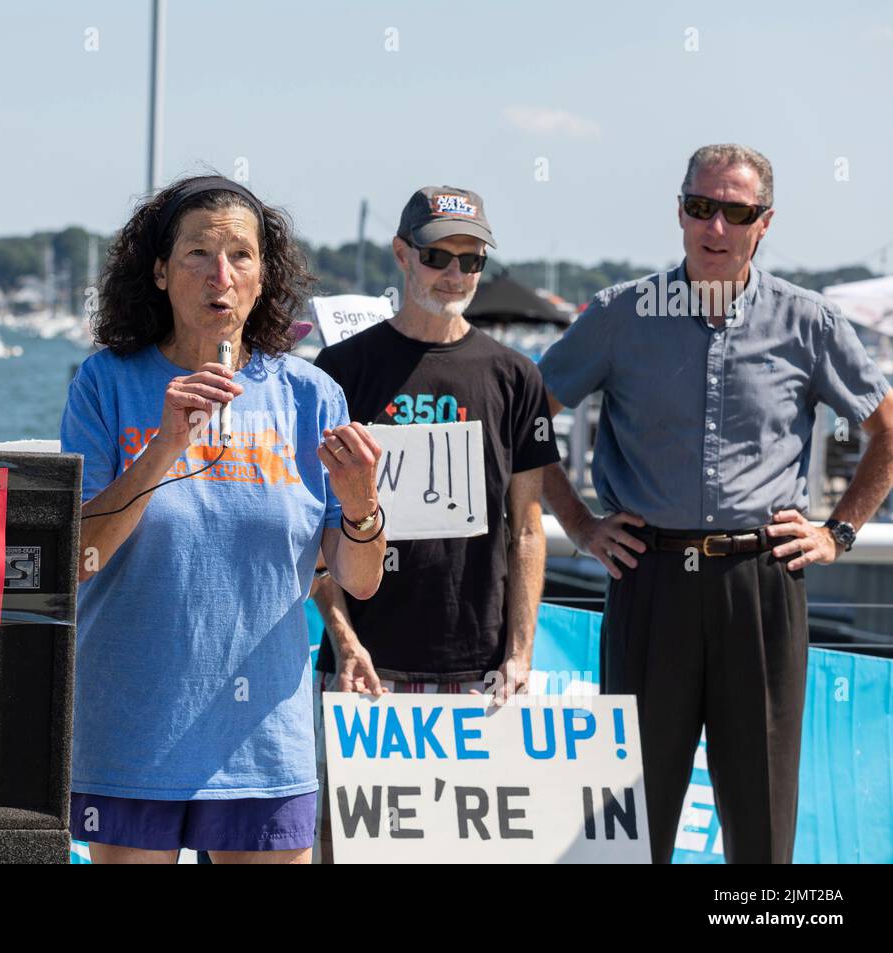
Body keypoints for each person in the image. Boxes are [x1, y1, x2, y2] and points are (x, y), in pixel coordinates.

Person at [538, 144, 893, 863]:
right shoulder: (620, 315)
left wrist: (839, 533)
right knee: (630, 828)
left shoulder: (809, 322)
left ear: (765, 223)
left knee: (761, 831)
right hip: (649, 580)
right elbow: (525, 419)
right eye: (701, 206)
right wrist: (578, 524)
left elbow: (885, 432)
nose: (716, 226)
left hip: (760, 586)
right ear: (680, 211)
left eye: (736, 211)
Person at [60, 174, 386, 864]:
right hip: (133, 731)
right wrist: (164, 447)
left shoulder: (310, 395)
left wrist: (362, 505)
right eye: (198, 255)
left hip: (263, 741)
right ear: (158, 271)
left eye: (241, 255)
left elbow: (360, 579)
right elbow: (79, 555)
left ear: (265, 275)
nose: (221, 275)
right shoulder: (106, 383)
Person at [309, 186, 561, 862]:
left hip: (476, 673)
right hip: (365, 669)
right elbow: (313, 530)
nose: (453, 274)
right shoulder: (341, 371)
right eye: (436, 255)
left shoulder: (514, 376)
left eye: (470, 260)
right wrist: (342, 638)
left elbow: (528, 526)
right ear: (401, 253)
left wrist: (520, 650)